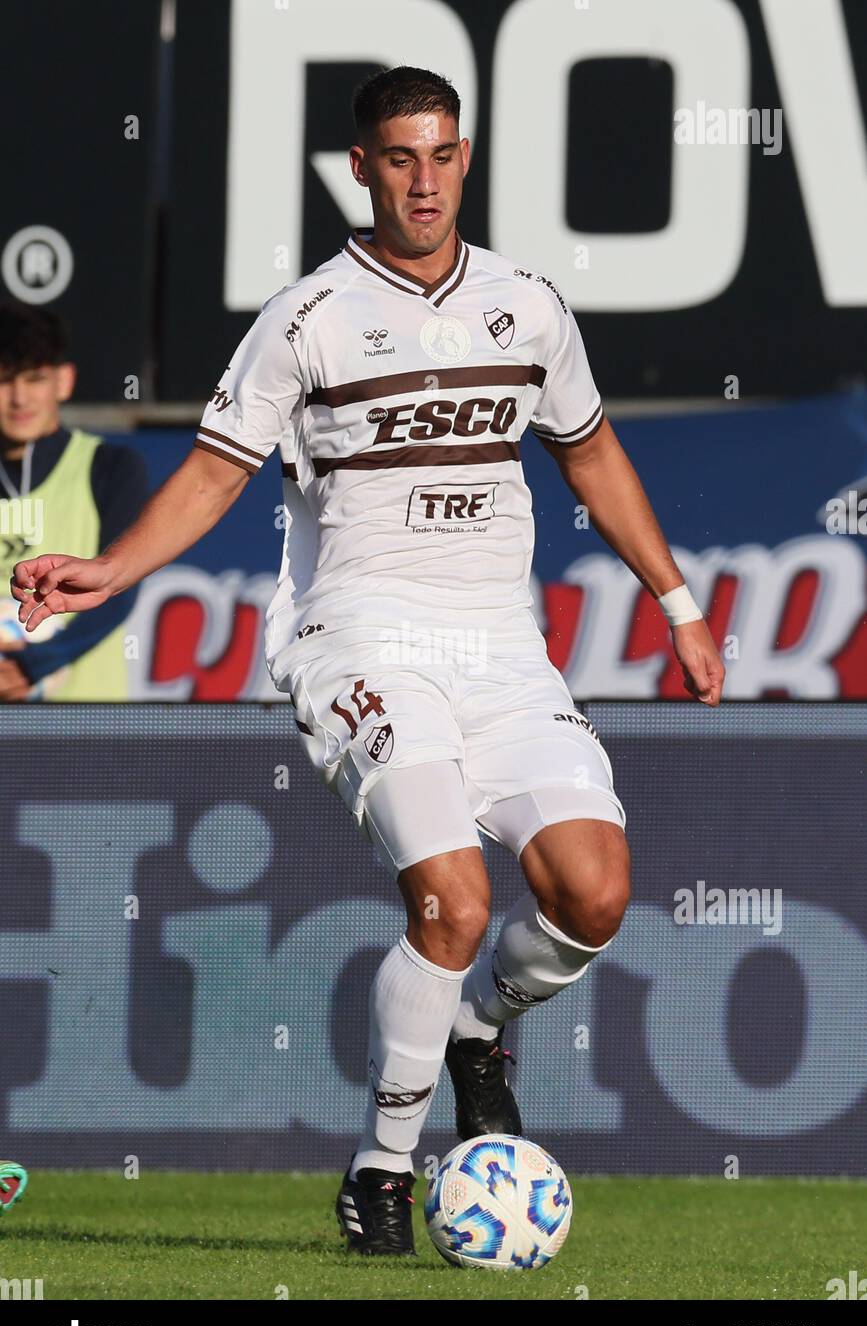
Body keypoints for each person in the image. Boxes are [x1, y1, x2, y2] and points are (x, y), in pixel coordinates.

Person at [11, 67, 725, 1255]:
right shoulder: (310, 318)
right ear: (363, 168)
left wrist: (681, 602)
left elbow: (592, 456)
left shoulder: (531, 305)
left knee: (594, 894)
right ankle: (383, 1170)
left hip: (504, 652)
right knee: (453, 901)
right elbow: (212, 472)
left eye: (443, 154)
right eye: (401, 157)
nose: (425, 178)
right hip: (362, 644)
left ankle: (480, 1029)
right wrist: (110, 569)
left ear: (464, 158)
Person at [0, 302, 149, 700]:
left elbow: (120, 588)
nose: (19, 399)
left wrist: (32, 666)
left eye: (34, 379)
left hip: (81, 727)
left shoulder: (109, 467)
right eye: (4, 380)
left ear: (63, 381)